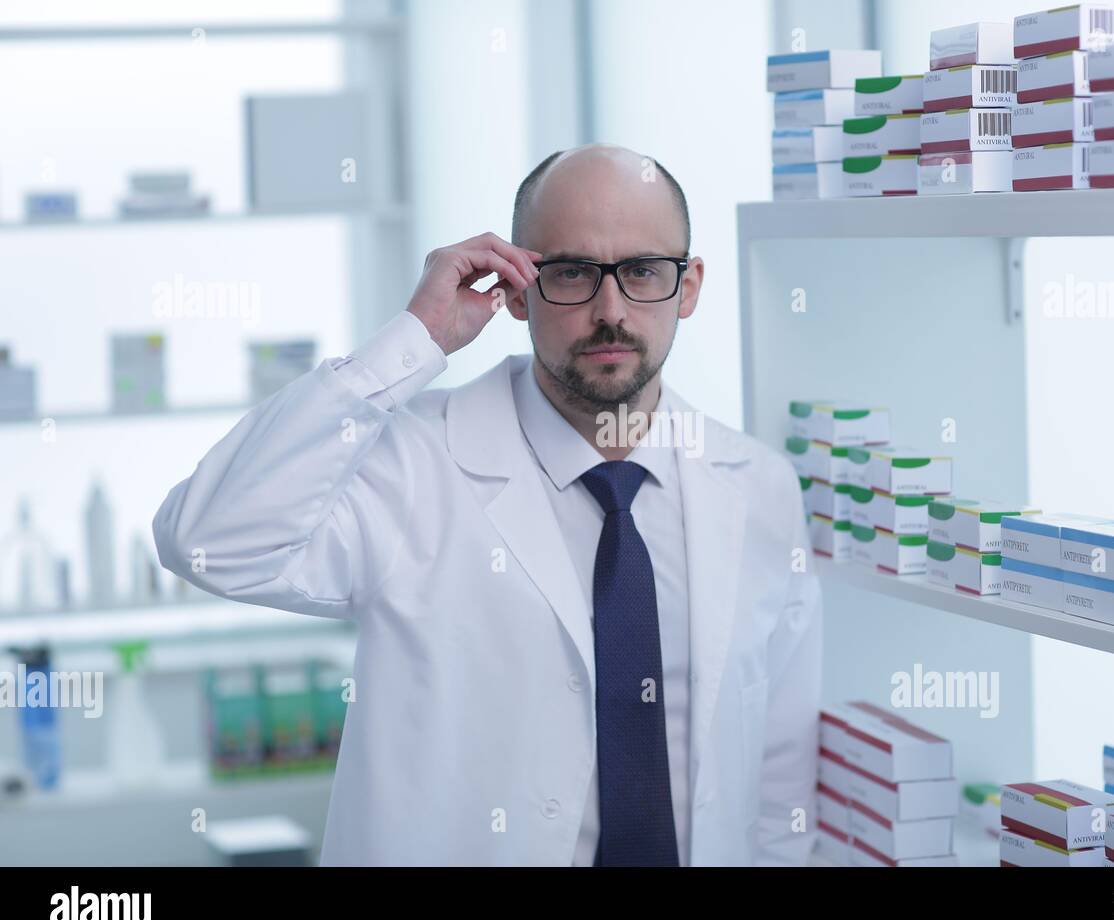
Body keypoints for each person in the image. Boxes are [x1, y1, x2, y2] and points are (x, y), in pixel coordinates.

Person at [153, 143, 822, 866]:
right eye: (569, 272)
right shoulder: (414, 465)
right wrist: (414, 339)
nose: (610, 311)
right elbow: (210, 541)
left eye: (641, 272)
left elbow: (781, 772)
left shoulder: (758, 487)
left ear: (688, 288)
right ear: (513, 290)